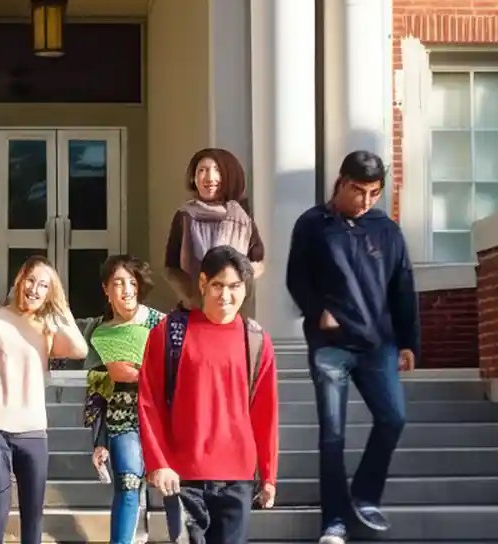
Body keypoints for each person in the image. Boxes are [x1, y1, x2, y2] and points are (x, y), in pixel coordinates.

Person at [286, 150, 418, 544]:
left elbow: (403, 287)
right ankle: (334, 522)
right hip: (330, 348)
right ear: (340, 183)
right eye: (358, 190)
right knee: (333, 435)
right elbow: (296, 278)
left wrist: (410, 342)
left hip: (378, 346)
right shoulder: (312, 224)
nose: (365, 200)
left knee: (393, 418)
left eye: (374, 192)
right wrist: (317, 311)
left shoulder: (386, 229)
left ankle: (364, 495)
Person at [139, 245, 279, 544]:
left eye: (234, 287)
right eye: (217, 285)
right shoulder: (170, 332)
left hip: (237, 478)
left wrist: (268, 474)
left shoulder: (256, 340)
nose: (225, 296)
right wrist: (158, 462)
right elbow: (149, 401)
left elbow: (265, 413)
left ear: (245, 288)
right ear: (202, 283)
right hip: (183, 477)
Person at [0, 255, 89, 544]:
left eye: (43, 286)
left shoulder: (47, 327)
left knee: (33, 514)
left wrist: (60, 306)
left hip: (33, 428)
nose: (35, 289)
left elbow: (79, 349)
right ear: (19, 279)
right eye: (31, 280)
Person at [81, 254, 179, 544]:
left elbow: (178, 374)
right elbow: (97, 388)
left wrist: (138, 375)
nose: (126, 289)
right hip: (122, 418)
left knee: (172, 485)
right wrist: (99, 440)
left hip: (163, 416)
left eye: (132, 283)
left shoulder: (160, 324)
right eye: (118, 283)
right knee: (127, 483)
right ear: (106, 289)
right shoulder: (98, 331)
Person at [165, 148, 266, 310]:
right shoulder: (185, 216)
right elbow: (171, 266)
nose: (209, 178)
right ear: (194, 178)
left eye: (217, 170)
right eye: (202, 170)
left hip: (230, 310)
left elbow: (256, 262)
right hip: (193, 309)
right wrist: (190, 297)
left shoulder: (242, 218)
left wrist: (234, 290)